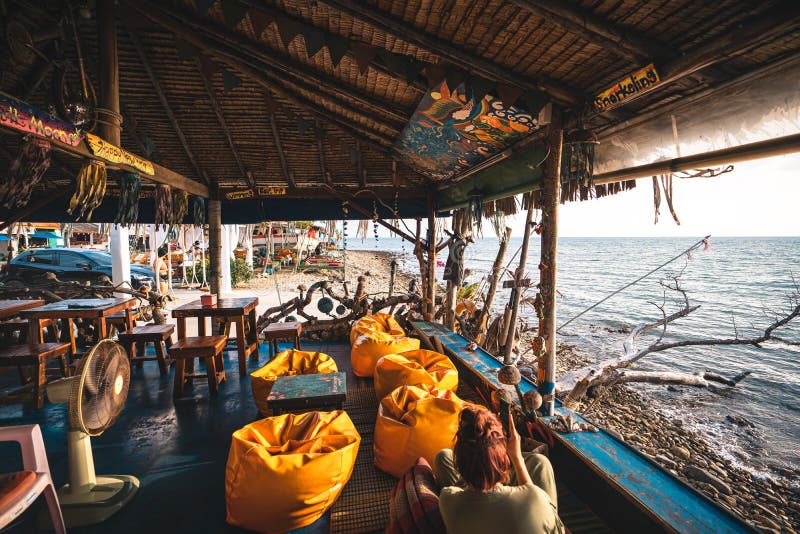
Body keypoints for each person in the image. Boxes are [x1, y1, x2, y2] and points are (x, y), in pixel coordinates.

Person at [434, 405, 564, 534]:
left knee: (443, 457)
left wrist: (474, 453)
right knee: (541, 462)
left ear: (460, 461)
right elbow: (533, 496)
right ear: (503, 460)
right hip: (524, 508)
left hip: (475, 503)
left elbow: (466, 479)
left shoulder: (448, 500)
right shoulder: (534, 498)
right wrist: (517, 457)